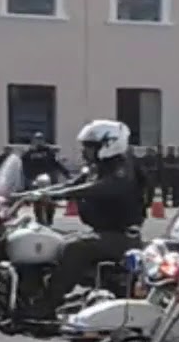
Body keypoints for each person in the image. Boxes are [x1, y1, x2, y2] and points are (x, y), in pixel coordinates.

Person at [26, 120, 144, 321]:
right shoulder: (96, 168)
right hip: (101, 232)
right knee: (48, 240)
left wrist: (61, 194)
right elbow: (72, 184)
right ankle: (32, 294)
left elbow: (103, 187)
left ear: (108, 144)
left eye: (89, 146)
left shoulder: (122, 168)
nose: (84, 151)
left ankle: (48, 305)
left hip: (121, 235)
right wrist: (31, 193)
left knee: (75, 248)